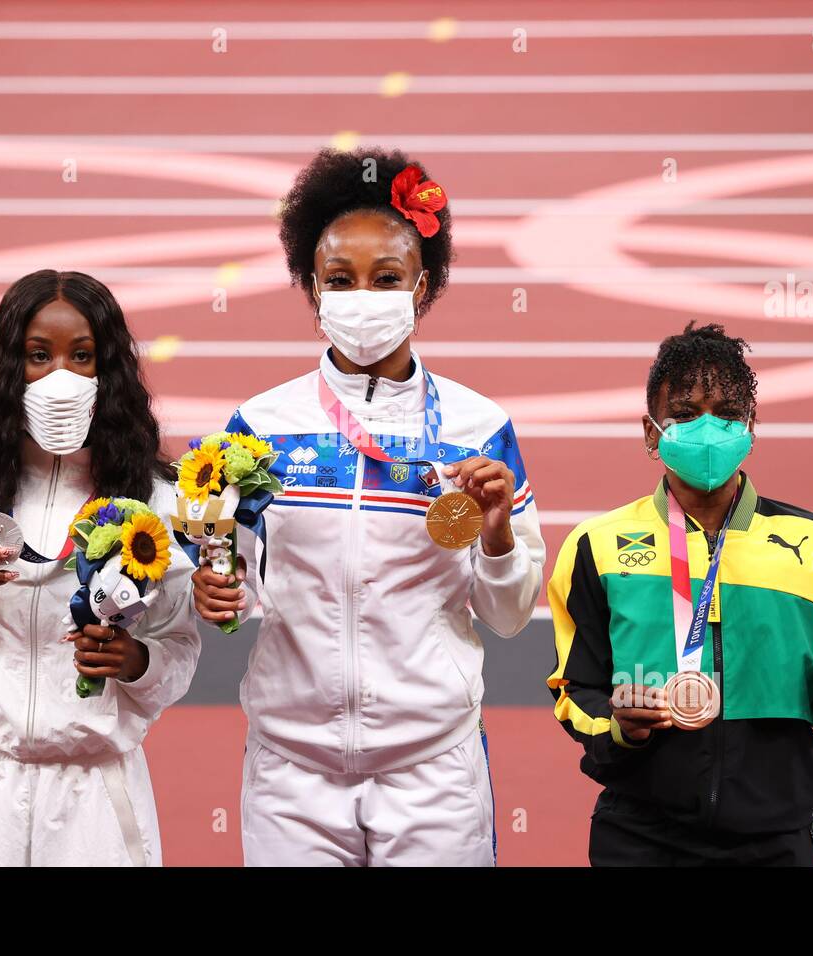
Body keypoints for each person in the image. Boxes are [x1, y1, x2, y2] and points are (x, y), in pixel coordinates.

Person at [191, 148, 546, 866]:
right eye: (339, 280)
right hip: (292, 775)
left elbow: (508, 618)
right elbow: (228, 586)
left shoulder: (478, 430)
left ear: (423, 285)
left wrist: (499, 534)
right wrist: (211, 586)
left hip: (433, 774)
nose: (363, 296)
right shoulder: (258, 427)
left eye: (386, 277)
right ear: (312, 291)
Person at [0, 270, 200, 866]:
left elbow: (179, 652)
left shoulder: (154, 498)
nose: (60, 379)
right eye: (38, 356)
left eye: (82, 357)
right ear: (8, 366)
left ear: (110, 371)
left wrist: (137, 663)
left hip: (97, 796)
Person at [547, 322, 813, 866]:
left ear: (751, 428)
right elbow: (577, 691)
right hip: (641, 839)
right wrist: (619, 727)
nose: (708, 429)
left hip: (775, 841)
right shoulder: (596, 546)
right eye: (686, 415)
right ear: (650, 432)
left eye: (727, 413)